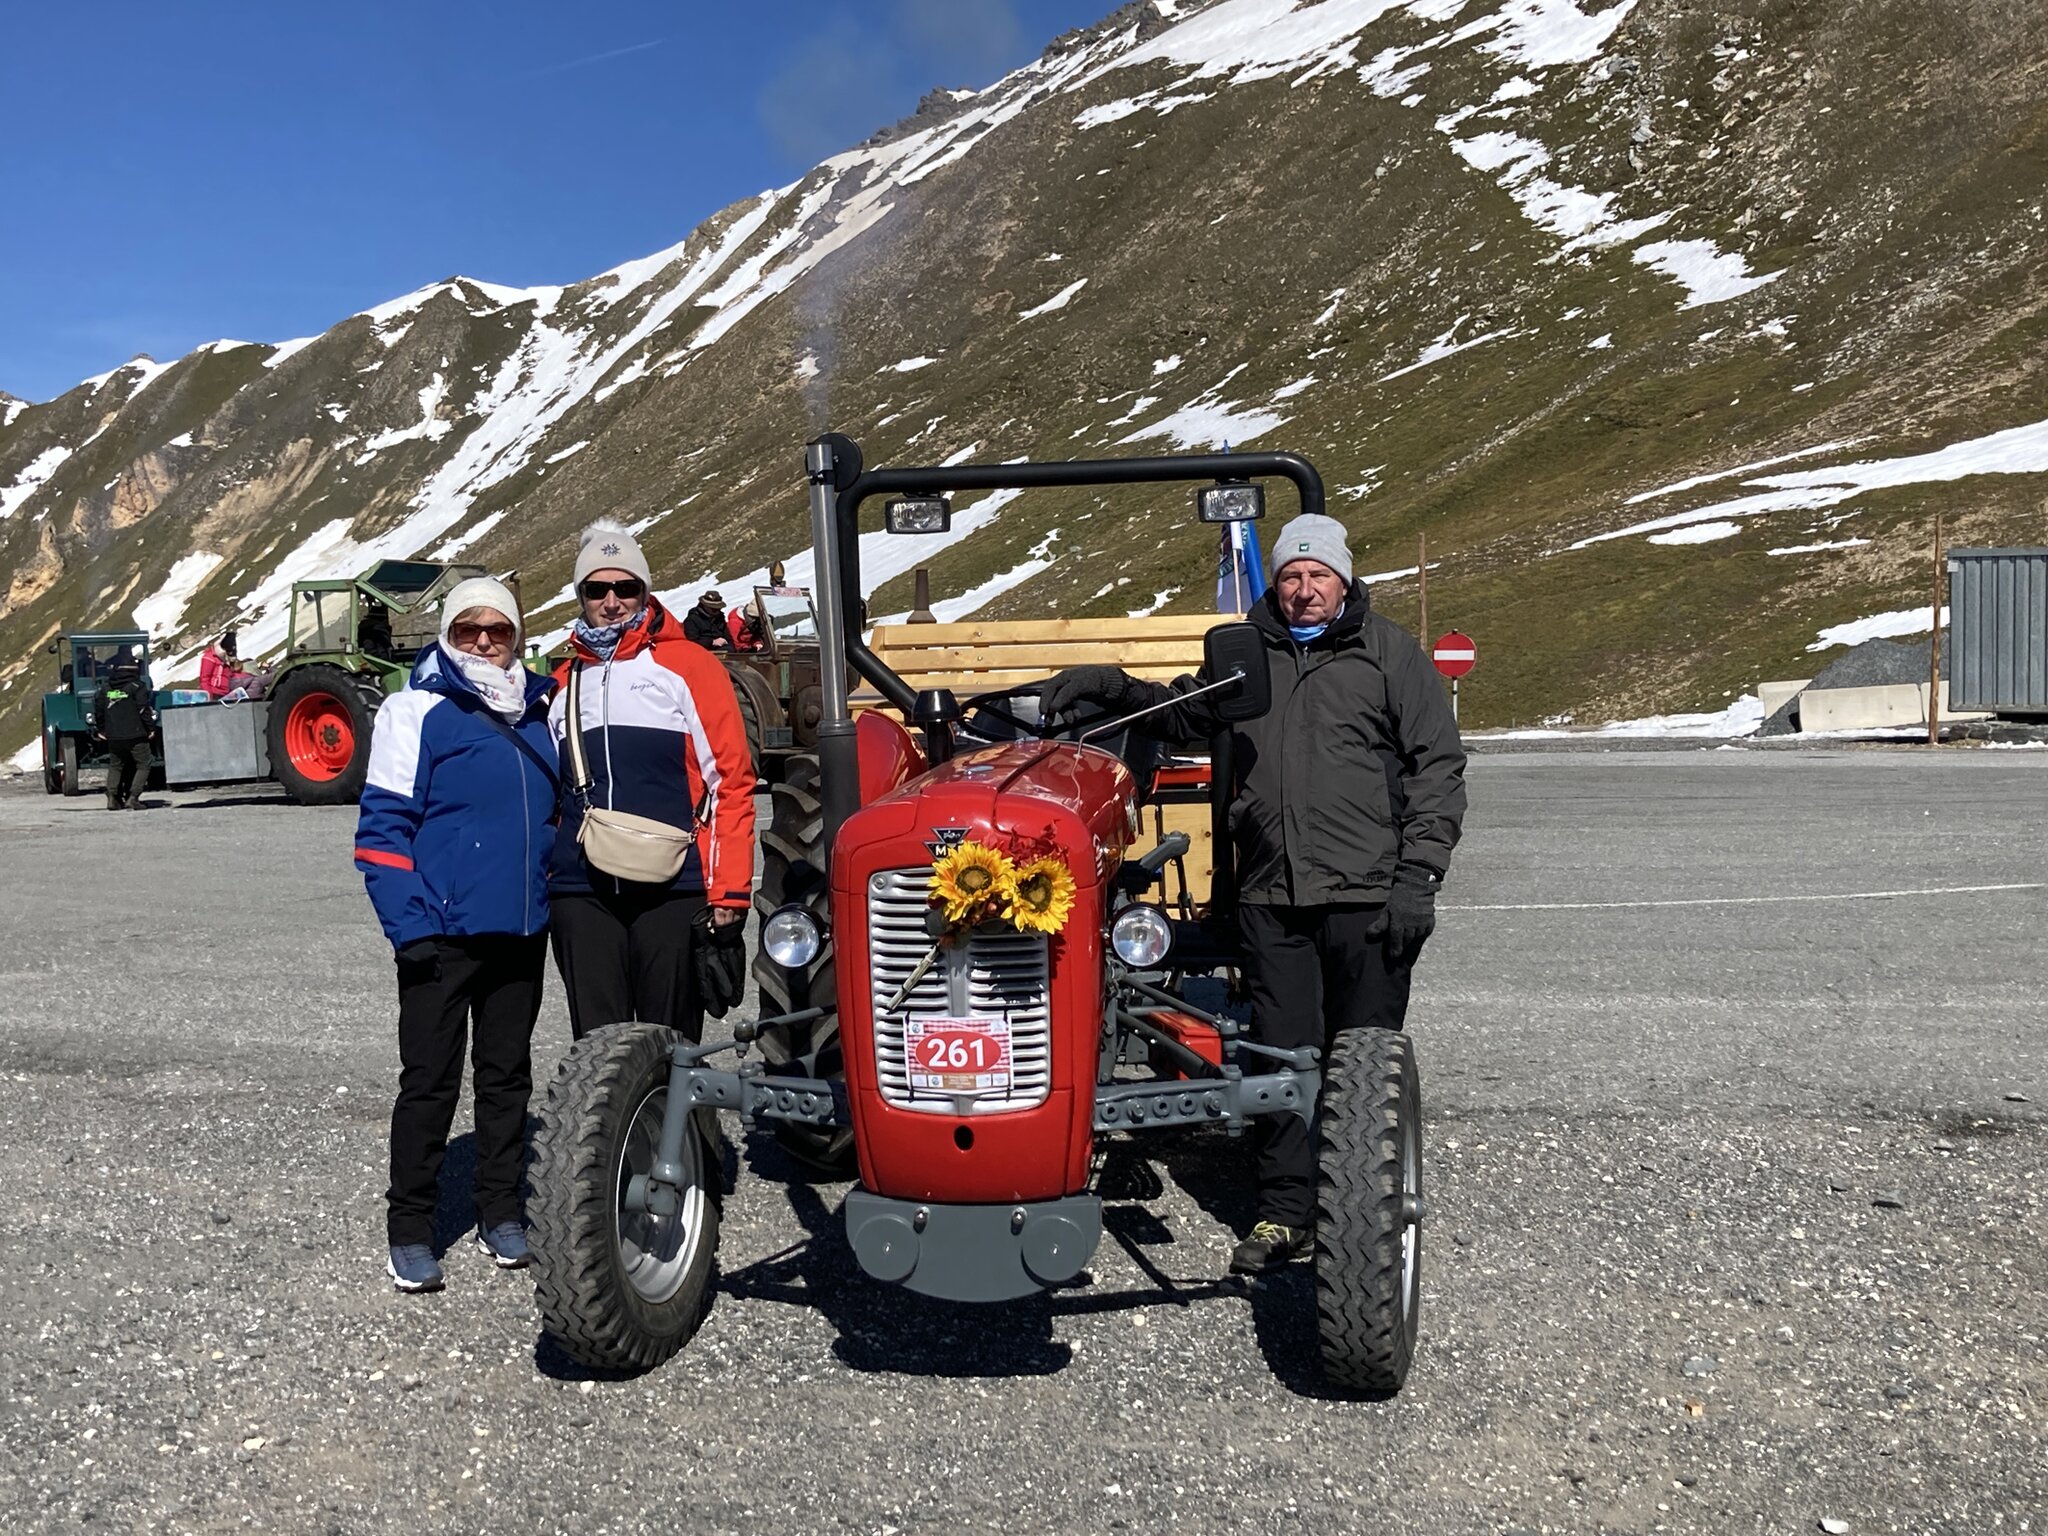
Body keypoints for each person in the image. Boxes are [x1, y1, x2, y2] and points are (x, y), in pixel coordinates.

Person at [1046, 513, 1467, 1275]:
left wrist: (1420, 878)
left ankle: (1361, 1214)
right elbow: (1182, 711)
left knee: (1360, 1059)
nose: (1305, 589)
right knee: (1280, 1059)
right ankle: (1285, 1214)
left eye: (1319, 575)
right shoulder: (1247, 656)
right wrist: (1116, 688)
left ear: (1343, 579)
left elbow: (1436, 767)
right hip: (1270, 895)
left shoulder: (1388, 653)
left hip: (1369, 894)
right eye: (1292, 575)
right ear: (1277, 582)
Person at [353, 577, 560, 1295]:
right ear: (447, 633)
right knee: (430, 1083)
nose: (483, 641)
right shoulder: (416, 710)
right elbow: (382, 831)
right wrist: (409, 927)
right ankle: (411, 1228)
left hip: (521, 931)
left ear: (516, 638)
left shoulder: (538, 710)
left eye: (497, 630)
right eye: (468, 628)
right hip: (440, 936)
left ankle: (500, 1209)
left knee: (507, 1079)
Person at [549, 521, 755, 1042]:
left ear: (644, 591)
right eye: (596, 589)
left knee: (671, 1044)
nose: (611, 601)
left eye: (626, 587)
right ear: (581, 596)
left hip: (673, 885)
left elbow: (731, 781)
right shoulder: (562, 682)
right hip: (582, 890)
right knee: (596, 1048)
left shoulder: (689, 666)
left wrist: (729, 889)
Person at [91, 656, 156, 811]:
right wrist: (151, 728)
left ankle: (112, 797)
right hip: (135, 734)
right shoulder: (137, 686)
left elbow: (99, 710)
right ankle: (133, 797)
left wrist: (101, 729)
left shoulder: (106, 688)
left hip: (113, 735)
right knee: (144, 763)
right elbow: (143, 709)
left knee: (116, 765)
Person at [199, 629, 260, 698]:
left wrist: (248, 675)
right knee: (257, 681)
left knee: (254, 682)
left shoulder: (223, 659)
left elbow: (230, 674)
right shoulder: (209, 658)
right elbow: (204, 680)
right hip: (215, 693)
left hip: (226, 693)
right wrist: (209, 697)